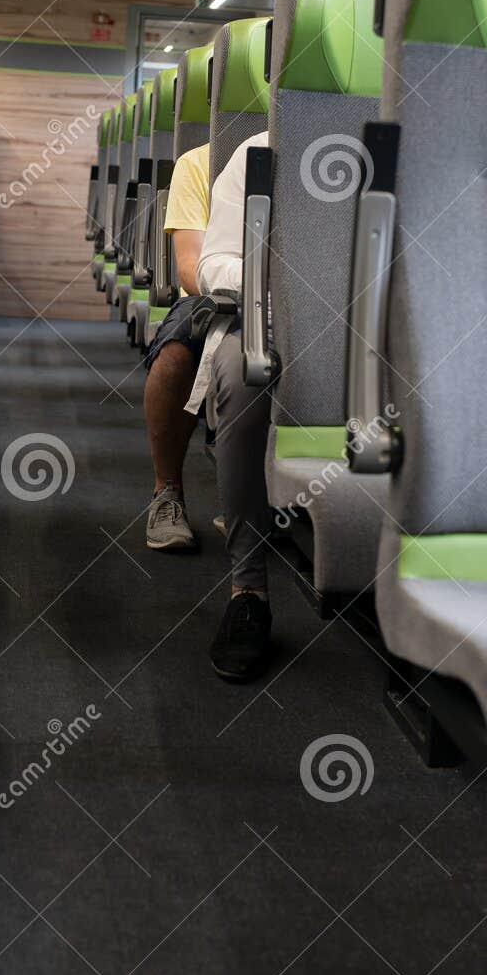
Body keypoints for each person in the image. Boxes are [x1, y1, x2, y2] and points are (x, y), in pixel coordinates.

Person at [192, 131, 274, 682]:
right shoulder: (260, 154)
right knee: (243, 375)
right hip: (265, 320)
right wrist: (279, 285)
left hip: (383, 328)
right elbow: (211, 262)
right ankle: (249, 590)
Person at [142, 140, 210, 553]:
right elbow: (189, 267)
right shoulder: (200, 163)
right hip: (218, 291)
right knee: (177, 350)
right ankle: (166, 491)